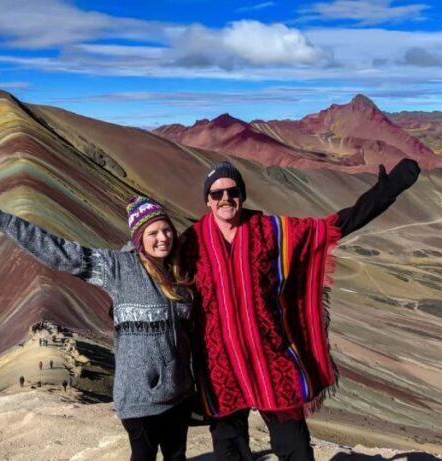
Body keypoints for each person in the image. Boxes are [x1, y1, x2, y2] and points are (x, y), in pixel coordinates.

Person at [180, 159, 420, 461]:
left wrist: (386, 191)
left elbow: (329, 228)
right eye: (217, 194)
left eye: (233, 191)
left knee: (294, 446)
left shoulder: (269, 231)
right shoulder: (191, 242)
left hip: (271, 358)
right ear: (207, 200)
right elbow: (158, 267)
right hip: (219, 365)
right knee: (229, 449)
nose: (225, 199)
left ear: (242, 194)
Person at [0, 188, 195, 461]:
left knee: (177, 457)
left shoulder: (182, 273)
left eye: (166, 230)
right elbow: (63, 254)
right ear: (139, 238)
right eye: (153, 233)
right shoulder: (118, 268)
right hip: (139, 397)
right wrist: (2, 220)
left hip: (179, 394)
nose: (162, 238)